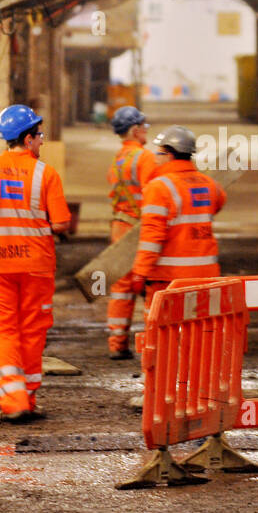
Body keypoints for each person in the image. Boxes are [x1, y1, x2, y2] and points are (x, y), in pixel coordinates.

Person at [0, 104, 71, 424]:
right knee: (32, 330)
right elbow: (63, 222)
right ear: (27, 140)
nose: (41, 141)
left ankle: (14, 401)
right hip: (36, 265)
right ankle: (29, 395)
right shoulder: (46, 174)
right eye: (39, 135)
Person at [128, 124, 226, 314]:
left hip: (169, 279)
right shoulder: (211, 184)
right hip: (206, 276)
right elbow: (218, 203)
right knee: (200, 330)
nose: (155, 157)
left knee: (162, 333)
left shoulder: (159, 188)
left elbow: (151, 239)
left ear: (169, 154)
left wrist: (140, 273)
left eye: (158, 153)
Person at [104, 105, 159, 360]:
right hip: (139, 227)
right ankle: (154, 342)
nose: (146, 131)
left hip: (119, 225)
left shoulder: (118, 158)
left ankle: (117, 342)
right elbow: (153, 194)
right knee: (151, 283)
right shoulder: (144, 157)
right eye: (144, 127)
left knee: (122, 287)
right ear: (135, 130)